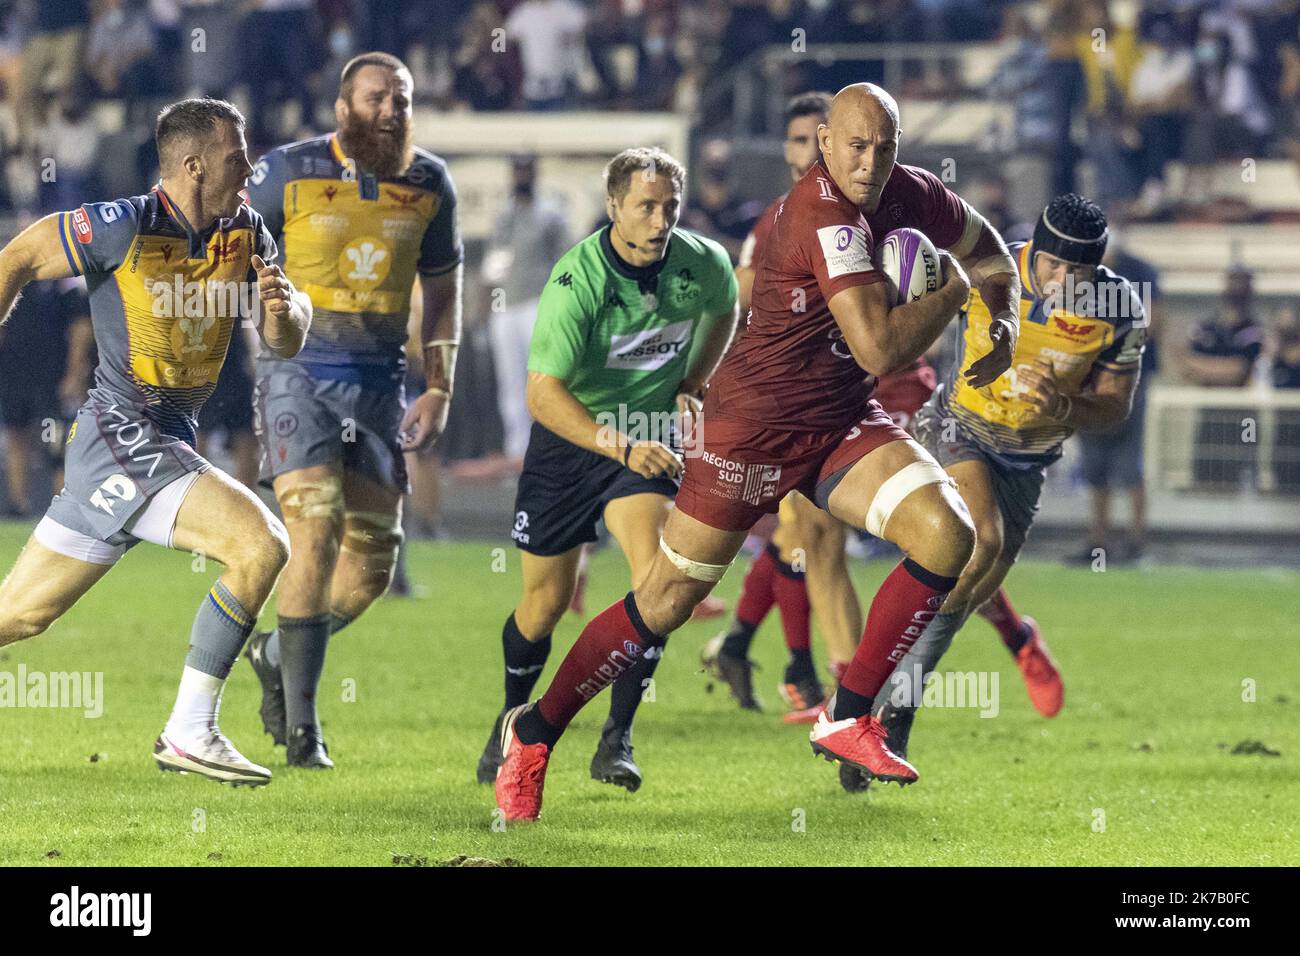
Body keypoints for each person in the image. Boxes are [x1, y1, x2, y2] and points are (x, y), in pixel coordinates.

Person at [493, 83, 1023, 822]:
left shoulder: (911, 193)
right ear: (825, 144)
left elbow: (990, 249)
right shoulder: (820, 212)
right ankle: (536, 732)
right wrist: (953, 295)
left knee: (948, 534)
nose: (869, 164)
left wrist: (1001, 321)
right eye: (855, 147)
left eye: (884, 148)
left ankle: (847, 713)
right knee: (664, 602)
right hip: (754, 429)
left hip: (839, 416)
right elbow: (879, 342)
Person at [0, 97, 311, 786]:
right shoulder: (123, 224)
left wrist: (287, 314)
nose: (250, 167)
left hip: (158, 440)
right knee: (261, 544)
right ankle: (189, 730)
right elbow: (19, 256)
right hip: (123, 434)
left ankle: (189, 730)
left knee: (19, 615)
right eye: (238, 157)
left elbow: (287, 337)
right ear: (194, 164)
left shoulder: (247, 231)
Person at [476, 146, 738, 794]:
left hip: (647, 441)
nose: (659, 221)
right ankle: (508, 717)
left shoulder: (701, 262)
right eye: (645, 207)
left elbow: (726, 307)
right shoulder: (578, 279)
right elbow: (542, 395)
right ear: (614, 206)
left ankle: (616, 737)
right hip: (572, 443)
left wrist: (695, 379)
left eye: (669, 207)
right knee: (544, 605)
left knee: (657, 585)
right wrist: (616, 444)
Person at [243, 52, 463, 768]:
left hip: (378, 387)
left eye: (400, 99)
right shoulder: (285, 172)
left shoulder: (430, 181)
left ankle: (277, 653)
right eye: (375, 99)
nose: (390, 110)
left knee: (371, 567)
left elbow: (444, 293)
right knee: (317, 530)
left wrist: (439, 385)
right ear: (344, 108)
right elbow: (225, 243)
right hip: (296, 375)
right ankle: (305, 732)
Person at [882, 193, 1146, 766]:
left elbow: (1115, 408)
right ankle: (868, 699)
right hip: (960, 426)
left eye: (1078, 271)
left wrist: (1065, 408)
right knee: (983, 543)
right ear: (1035, 253)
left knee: (968, 592)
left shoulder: (1120, 310)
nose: (1062, 280)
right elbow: (919, 300)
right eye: (1053, 265)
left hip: (1029, 460)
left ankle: (892, 706)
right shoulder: (991, 268)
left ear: (1098, 267)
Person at [1072, 231, 1160, 563]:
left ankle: (1137, 542)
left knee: (1128, 461)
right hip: (1088, 378)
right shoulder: (1082, 275)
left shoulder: (1139, 271)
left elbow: (1151, 323)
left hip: (1127, 376)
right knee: (1094, 463)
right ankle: (1098, 541)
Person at [481, 153, 572, 471]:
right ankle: (516, 450)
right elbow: (493, 264)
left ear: (534, 172)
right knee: (510, 382)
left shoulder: (550, 214)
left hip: (537, 303)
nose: (520, 175)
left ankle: (546, 447)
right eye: (516, 169)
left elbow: (565, 262)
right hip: (505, 306)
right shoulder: (504, 215)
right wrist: (488, 304)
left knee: (542, 377)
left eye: (525, 169)